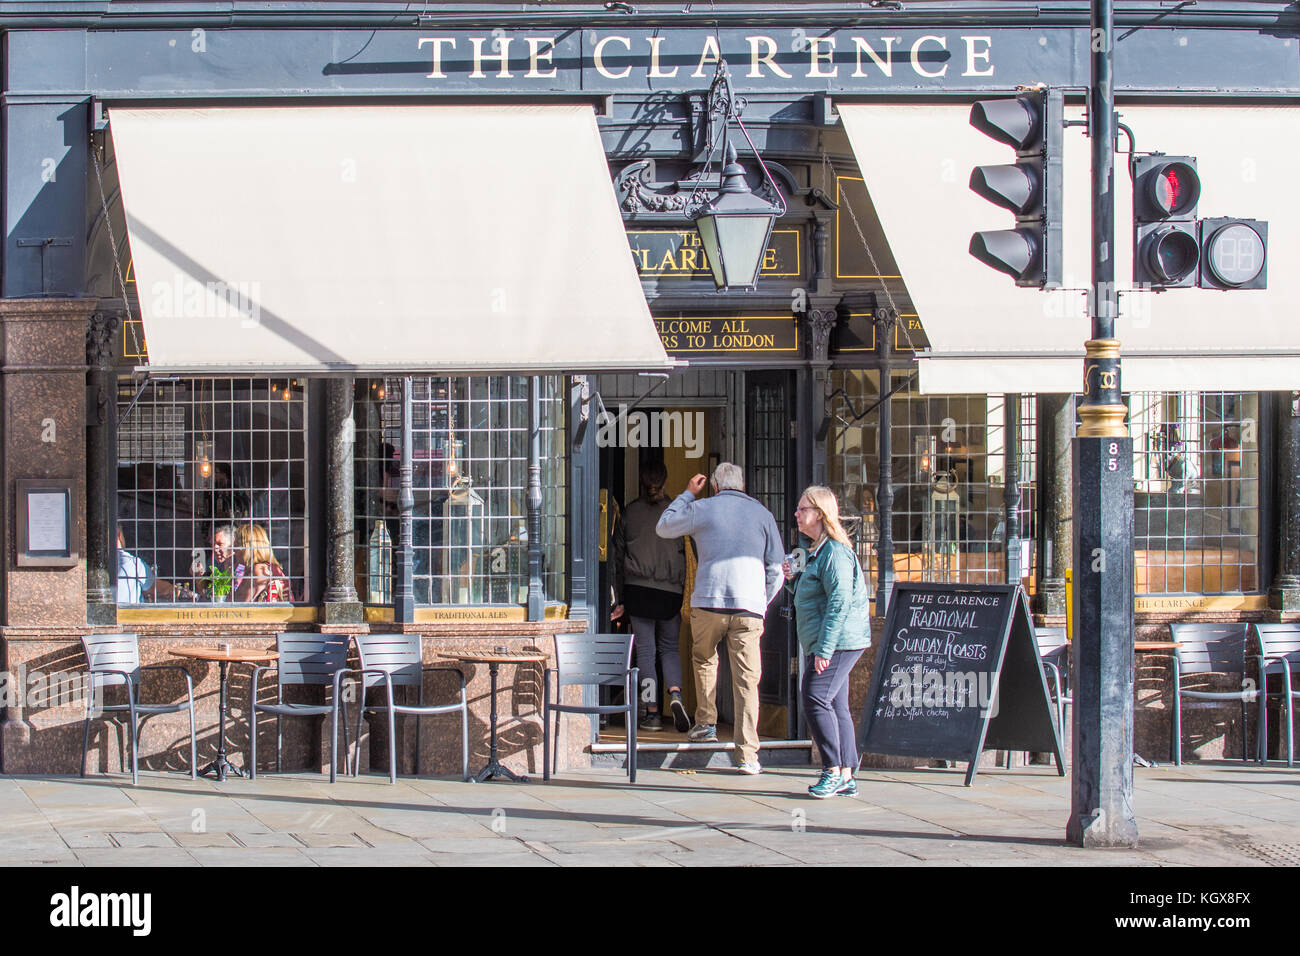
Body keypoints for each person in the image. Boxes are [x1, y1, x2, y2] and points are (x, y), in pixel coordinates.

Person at [656, 462, 784, 774]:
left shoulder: (704, 508)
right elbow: (777, 568)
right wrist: (761, 600)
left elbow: (664, 526)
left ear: (714, 486)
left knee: (704, 659)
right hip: (748, 607)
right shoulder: (763, 514)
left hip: (709, 601)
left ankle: (706, 723)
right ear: (742, 485)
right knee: (747, 681)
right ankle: (748, 755)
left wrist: (688, 493)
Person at [784, 486, 872, 799]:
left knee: (814, 696)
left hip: (837, 641)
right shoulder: (815, 551)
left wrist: (824, 649)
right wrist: (793, 583)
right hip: (831, 639)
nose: (797, 514)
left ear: (820, 514)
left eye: (802, 509)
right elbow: (815, 599)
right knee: (836, 705)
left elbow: (839, 603)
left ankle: (832, 769)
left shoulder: (834, 552)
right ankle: (847, 773)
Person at [611, 460, 690, 733]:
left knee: (645, 652)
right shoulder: (677, 513)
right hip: (670, 592)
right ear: (665, 482)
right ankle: (676, 694)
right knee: (669, 649)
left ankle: (652, 712)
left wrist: (619, 597)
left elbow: (617, 557)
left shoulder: (629, 513)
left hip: (638, 590)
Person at [116, 523, 179, 603]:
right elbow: (158, 589)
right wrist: (176, 589)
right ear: (119, 535)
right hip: (129, 615)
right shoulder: (131, 562)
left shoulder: (100, 562)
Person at [232, 523, 290, 602]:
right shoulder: (268, 567)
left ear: (246, 548)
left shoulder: (259, 570)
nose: (234, 551)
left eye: (236, 546)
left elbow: (240, 606)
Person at [191, 523, 241, 600]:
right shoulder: (212, 559)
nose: (215, 549)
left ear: (233, 543)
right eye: (213, 545)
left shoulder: (240, 563)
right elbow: (203, 593)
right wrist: (197, 575)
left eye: (220, 544)